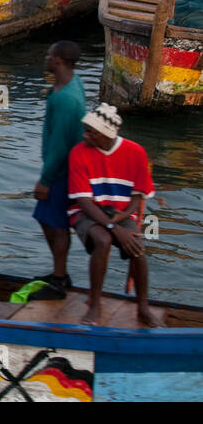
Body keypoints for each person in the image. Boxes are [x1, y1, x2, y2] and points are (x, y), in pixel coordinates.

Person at [67, 103, 159, 327]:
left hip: (119, 212)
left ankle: (143, 308)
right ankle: (95, 304)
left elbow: (139, 194)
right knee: (103, 239)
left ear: (105, 135)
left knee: (137, 248)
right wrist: (113, 226)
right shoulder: (78, 153)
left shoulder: (135, 152)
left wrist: (124, 216)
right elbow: (84, 203)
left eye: (90, 132)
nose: (84, 136)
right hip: (86, 212)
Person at [31, 40, 86, 294]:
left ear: (59, 61)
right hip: (58, 167)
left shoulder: (66, 100)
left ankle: (60, 277)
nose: (46, 57)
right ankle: (58, 270)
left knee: (57, 224)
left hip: (62, 171)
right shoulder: (68, 85)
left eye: (49, 55)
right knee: (44, 218)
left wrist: (46, 179)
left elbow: (60, 147)